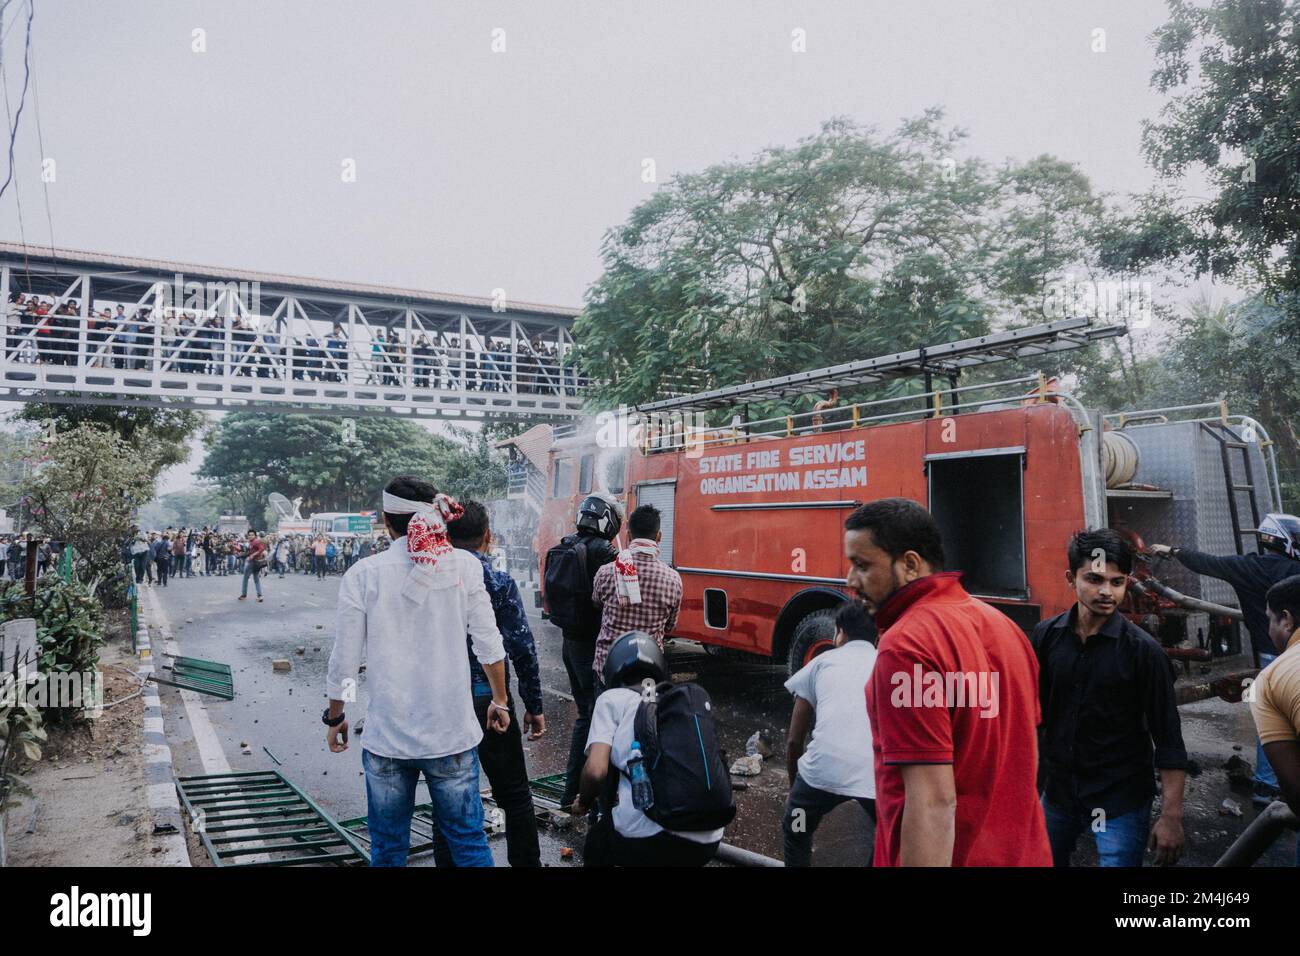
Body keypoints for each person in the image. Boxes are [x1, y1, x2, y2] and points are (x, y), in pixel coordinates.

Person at [847, 497, 1050, 866]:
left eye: (861, 566)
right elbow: (1026, 756)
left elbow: (932, 803)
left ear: (910, 564)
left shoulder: (905, 647)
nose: (850, 581)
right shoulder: (1005, 627)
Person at [325, 476, 509, 867]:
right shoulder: (464, 566)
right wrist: (500, 700)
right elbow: (489, 644)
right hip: (452, 737)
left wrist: (337, 714)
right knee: (469, 844)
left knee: (389, 850)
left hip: (388, 741)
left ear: (388, 523)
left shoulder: (364, 574)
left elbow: (345, 659)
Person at [1033, 529, 1189, 867]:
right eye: (1094, 579)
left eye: (1117, 582)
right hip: (1059, 795)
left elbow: (1168, 739)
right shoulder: (1047, 637)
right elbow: (1032, 717)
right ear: (1070, 578)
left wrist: (1171, 818)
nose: (1106, 592)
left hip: (1119, 800)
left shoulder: (1144, 654)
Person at [1149, 513, 1300, 803]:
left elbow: (1208, 563)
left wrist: (1172, 551)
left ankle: (1267, 787)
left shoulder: (1245, 567)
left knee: (1272, 721)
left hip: (1270, 656)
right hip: (1292, 655)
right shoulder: (1293, 570)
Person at [432, 501, 545, 868]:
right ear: (488, 537)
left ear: (446, 537)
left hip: (446, 701)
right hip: (491, 700)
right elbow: (522, 648)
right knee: (514, 794)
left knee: (447, 798)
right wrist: (533, 705)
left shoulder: (432, 580)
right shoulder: (498, 582)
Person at [571, 631, 727, 866]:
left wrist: (583, 802)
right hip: (709, 836)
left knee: (597, 843)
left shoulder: (611, 699)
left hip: (650, 840)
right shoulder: (677, 703)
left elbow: (595, 771)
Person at [782, 599, 879, 867]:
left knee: (797, 828)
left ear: (840, 633)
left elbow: (793, 741)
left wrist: (795, 791)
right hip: (873, 778)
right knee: (887, 835)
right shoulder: (887, 665)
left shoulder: (822, 662)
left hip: (819, 775)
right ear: (877, 636)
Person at [545, 493, 621, 811]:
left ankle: (574, 791)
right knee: (595, 717)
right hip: (591, 644)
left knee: (585, 714)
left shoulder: (567, 543)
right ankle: (581, 795)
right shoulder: (604, 551)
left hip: (570, 641)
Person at [591, 504, 682, 691]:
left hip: (607, 669)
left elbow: (597, 604)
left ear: (628, 535)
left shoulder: (606, 572)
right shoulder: (673, 579)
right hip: (648, 676)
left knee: (606, 718)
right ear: (658, 537)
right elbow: (670, 626)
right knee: (645, 718)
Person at [1252, 574, 1300, 865]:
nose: (1269, 629)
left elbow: (1295, 787)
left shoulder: (1270, 679)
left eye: (1269, 619)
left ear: (1286, 619)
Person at [239, 529, 266, 602]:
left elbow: (262, 549)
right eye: (249, 535)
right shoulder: (251, 542)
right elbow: (250, 552)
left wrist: (253, 555)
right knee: (256, 579)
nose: (250, 536)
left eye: (252, 535)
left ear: (255, 535)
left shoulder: (256, 541)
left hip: (253, 562)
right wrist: (243, 555)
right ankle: (259, 595)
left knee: (245, 578)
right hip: (256, 563)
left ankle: (244, 594)